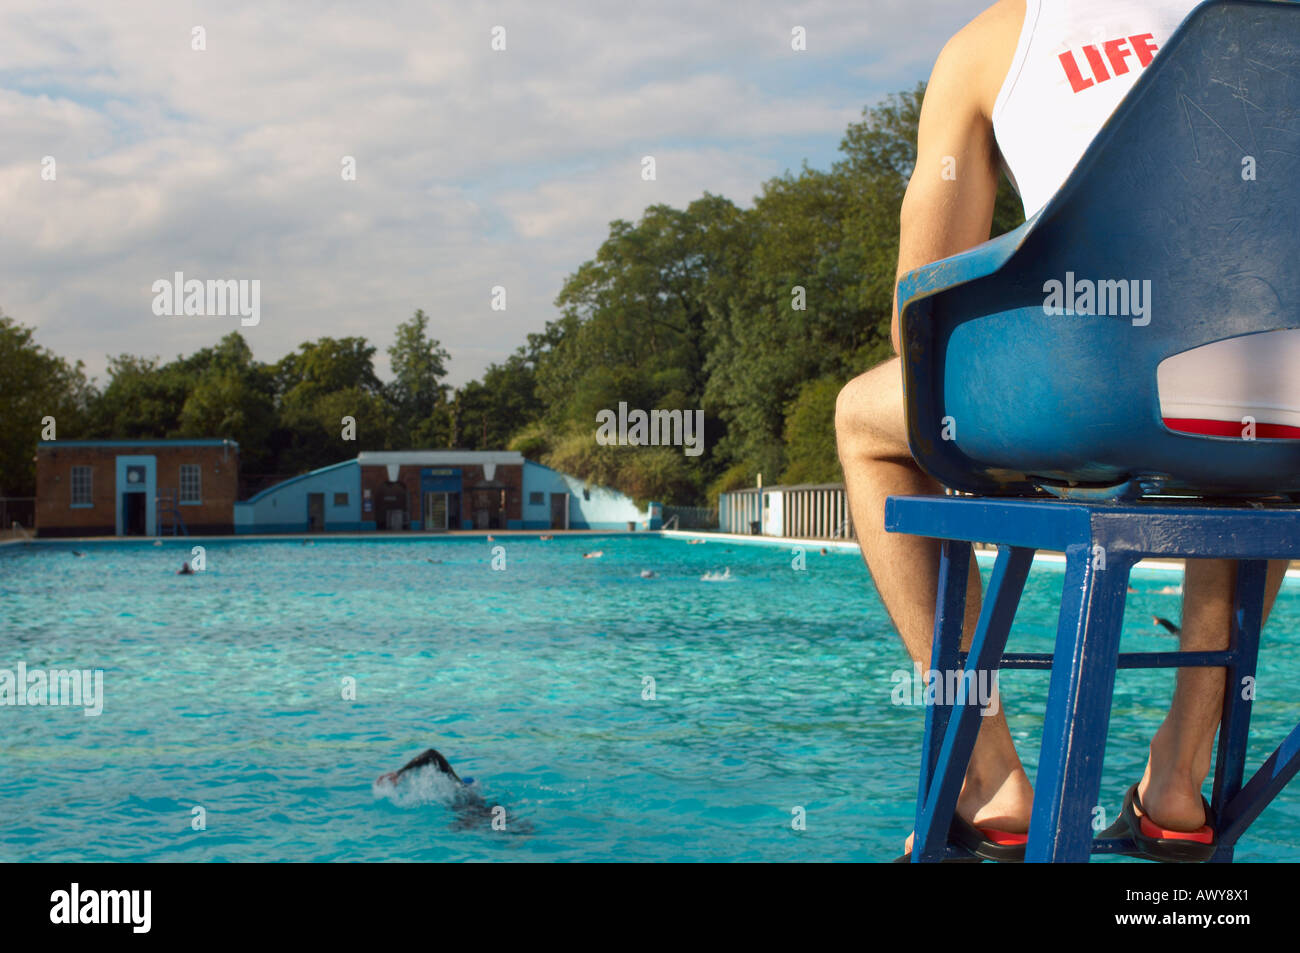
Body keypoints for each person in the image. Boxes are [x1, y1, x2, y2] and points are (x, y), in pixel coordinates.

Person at [835, 0, 1290, 861]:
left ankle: (992, 780)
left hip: (1088, 390)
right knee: (1247, 425)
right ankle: (1178, 780)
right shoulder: (1271, 20)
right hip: (1279, 396)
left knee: (864, 419)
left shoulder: (992, 43)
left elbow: (920, 309)